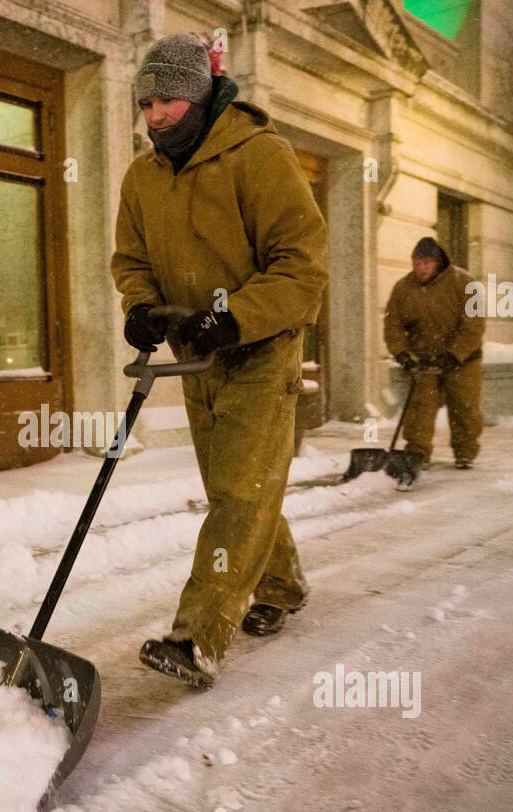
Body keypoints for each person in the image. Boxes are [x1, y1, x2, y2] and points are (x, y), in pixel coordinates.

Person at [110, 33, 327, 688]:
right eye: (146, 103)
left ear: (200, 96)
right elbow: (132, 260)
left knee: (239, 489)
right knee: (240, 486)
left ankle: (197, 635)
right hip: (196, 354)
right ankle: (281, 583)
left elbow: (301, 264)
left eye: (167, 101)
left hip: (261, 347)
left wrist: (232, 317)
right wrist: (144, 306)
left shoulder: (259, 156)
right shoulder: (143, 177)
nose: (154, 116)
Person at [382, 237, 485, 469]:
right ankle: (417, 453)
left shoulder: (464, 283)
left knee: (464, 407)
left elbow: (474, 324)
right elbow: (393, 325)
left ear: (437, 263)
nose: (420, 268)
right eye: (416, 263)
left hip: (462, 360)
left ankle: (465, 451)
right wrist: (402, 354)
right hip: (424, 358)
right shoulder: (403, 288)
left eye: (425, 263)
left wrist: (454, 354)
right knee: (420, 408)